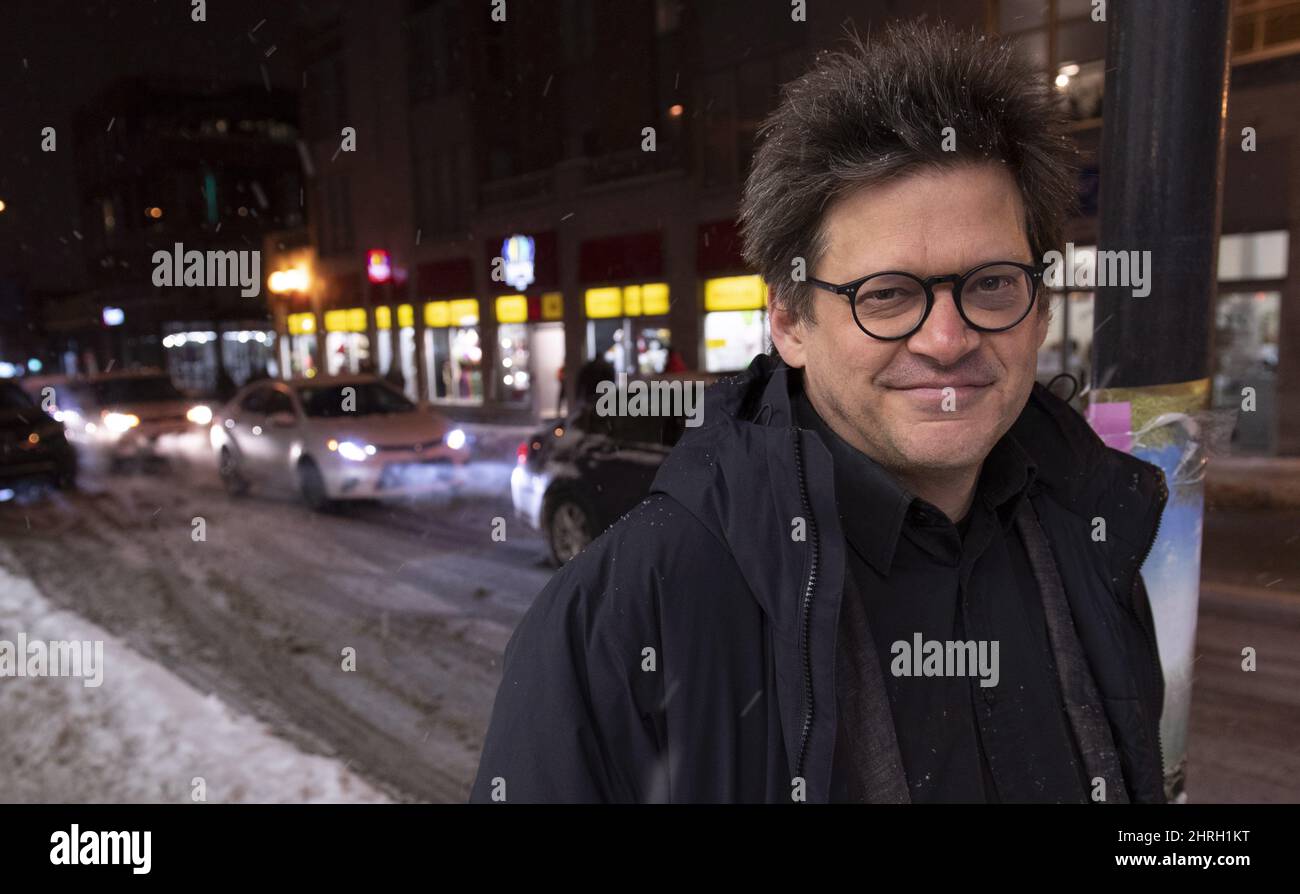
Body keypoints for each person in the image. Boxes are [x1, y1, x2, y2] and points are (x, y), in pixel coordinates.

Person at [470, 22, 1167, 804]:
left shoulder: (1091, 540)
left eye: (993, 283)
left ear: (1040, 309)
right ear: (790, 322)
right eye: (888, 295)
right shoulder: (627, 617)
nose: (947, 339)